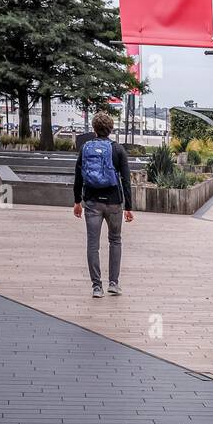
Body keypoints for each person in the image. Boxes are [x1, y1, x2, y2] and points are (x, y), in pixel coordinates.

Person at [73, 111, 134, 297]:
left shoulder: (85, 148)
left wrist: (77, 201)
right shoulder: (118, 149)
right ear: (111, 129)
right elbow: (126, 179)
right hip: (114, 202)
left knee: (93, 244)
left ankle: (97, 287)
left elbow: (78, 176)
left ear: (94, 128)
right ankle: (114, 283)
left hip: (92, 201)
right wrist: (129, 207)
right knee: (115, 241)